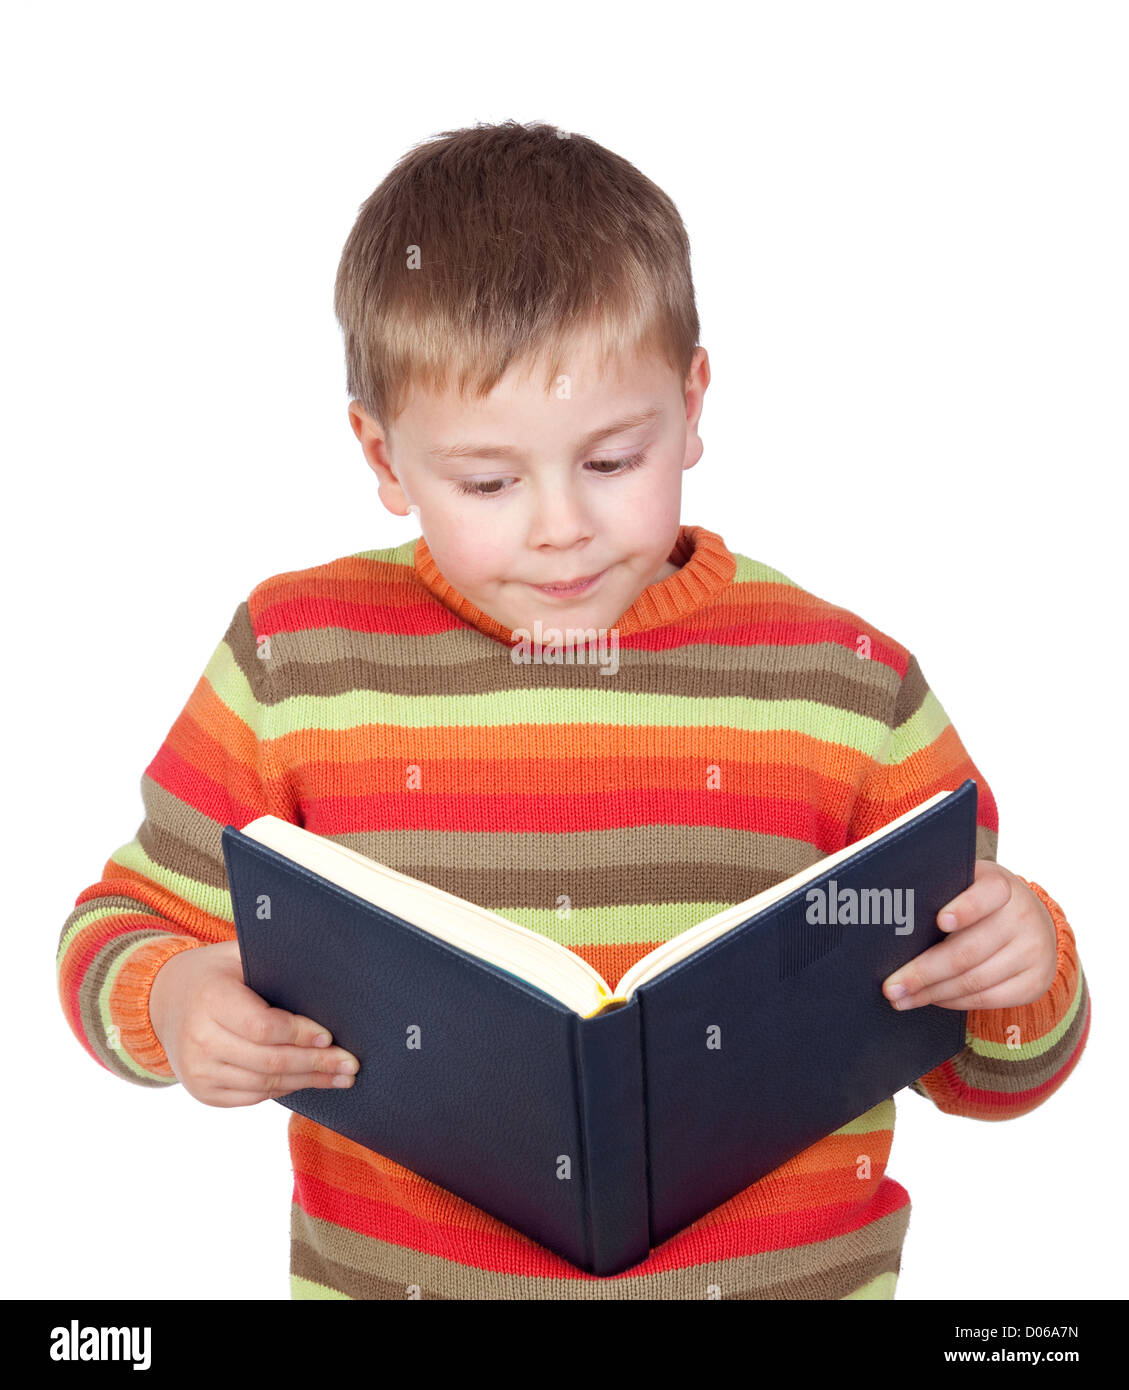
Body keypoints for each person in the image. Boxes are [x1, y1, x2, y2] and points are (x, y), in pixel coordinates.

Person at [56, 120, 1090, 1300]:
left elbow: (986, 1078)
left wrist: (1027, 971)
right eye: (488, 481)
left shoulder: (850, 684)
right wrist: (175, 999)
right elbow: (115, 932)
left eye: (611, 459)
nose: (559, 525)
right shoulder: (298, 659)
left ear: (692, 402)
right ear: (382, 455)